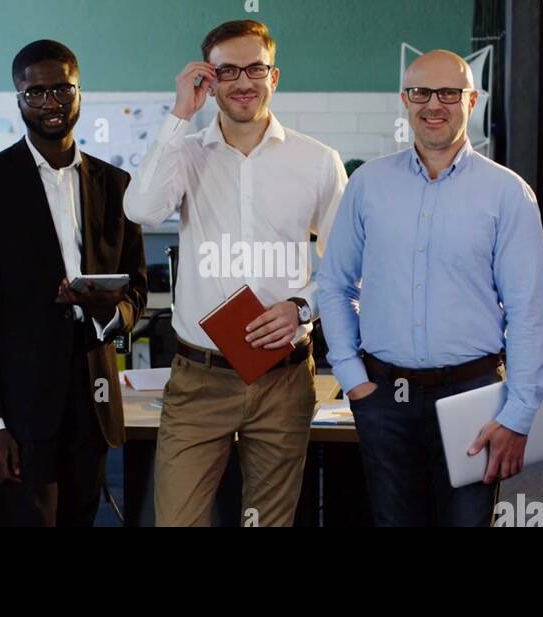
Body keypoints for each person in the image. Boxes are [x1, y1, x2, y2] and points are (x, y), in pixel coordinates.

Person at [124, 20, 347, 527]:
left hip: (283, 376)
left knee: (269, 522)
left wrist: (301, 306)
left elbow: (347, 264)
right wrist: (182, 112)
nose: (243, 81)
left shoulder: (317, 161)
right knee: (177, 520)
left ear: (275, 76)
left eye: (256, 68)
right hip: (199, 377)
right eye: (228, 70)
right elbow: (141, 209)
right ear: (209, 79)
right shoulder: (186, 152)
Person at [317, 50, 543, 527]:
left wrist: (520, 411)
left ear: (472, 99)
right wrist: (352, 377)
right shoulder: (368, 184)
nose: (434, 104)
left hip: (475, 396)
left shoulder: (507, 193)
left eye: (449, 93)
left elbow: (527, 312)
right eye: (421, 92)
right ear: (405, 99)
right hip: (382, 396)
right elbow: (335, 284)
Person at [0, 40, 147, 526]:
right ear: (18, 99)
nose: (50, 104)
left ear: (79, 92)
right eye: (35, 93)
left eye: (61, 89)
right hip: (19, 410)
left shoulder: (118, 185)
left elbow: (137, 289)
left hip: (93, 399)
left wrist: (109, 312)